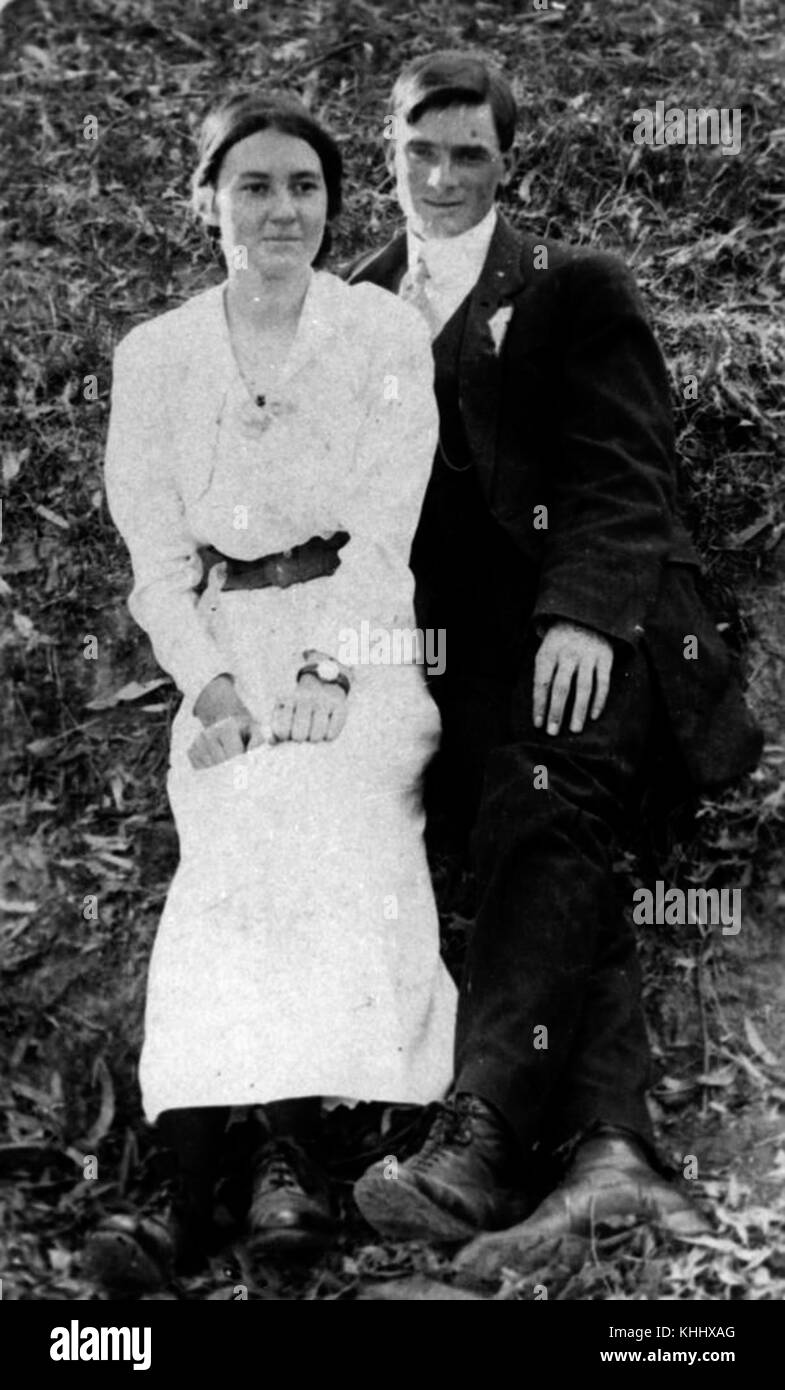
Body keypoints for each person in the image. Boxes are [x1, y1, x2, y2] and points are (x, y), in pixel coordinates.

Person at [349, 51, 762, 1250]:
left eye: (467, 154)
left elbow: (628, 474)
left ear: (505, 163)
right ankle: (607, 1150)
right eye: (418, 151)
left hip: (611, 627)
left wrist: (581, 610)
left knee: (544, 793)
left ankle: (475, 1142)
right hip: (460, 660)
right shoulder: (359, 306)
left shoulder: (576, 285)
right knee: (530, 815)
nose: (439, 176)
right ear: (388, 153)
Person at [89, 91, 457, 1289]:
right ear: (206, 200)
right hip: (223, 637)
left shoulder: (380, 335)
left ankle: (287, 1153)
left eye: (304, 186)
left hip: (360, 631)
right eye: (254, 185)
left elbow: (390, 533)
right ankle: (188, 1181)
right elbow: (154, 562)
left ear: (332, 205)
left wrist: (327, 664)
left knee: (321, 801)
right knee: (230, 827)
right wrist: (206, 686)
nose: (282, 208)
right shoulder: (156, 355)